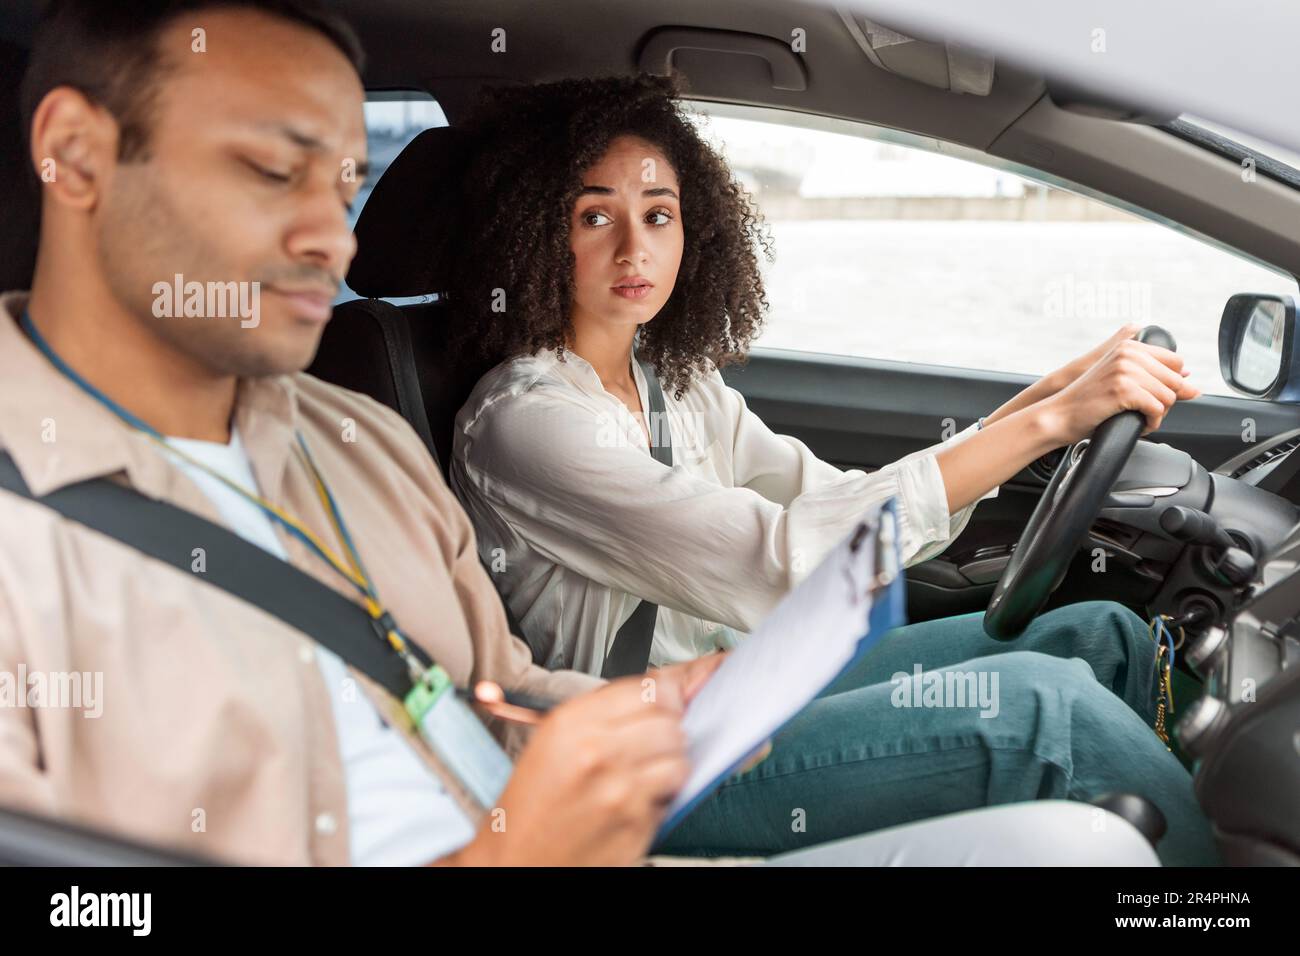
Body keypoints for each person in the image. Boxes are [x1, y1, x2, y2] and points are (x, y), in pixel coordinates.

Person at [0, 0, 1161, 868]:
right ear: (77, 154)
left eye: (342, 184)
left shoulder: (355, 441)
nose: (337, 240)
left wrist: (663, 708)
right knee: (1073, 815)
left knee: (1086, 716)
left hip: (593, 808)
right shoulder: (29, 533)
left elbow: (493, 686)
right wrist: (513, 846)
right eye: (270, 170)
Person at [445, 74, 1220, 865]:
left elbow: (835, 504)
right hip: (648, 768)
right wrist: (1050, 423)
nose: (634, 247)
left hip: (742, 691)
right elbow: (785, 560)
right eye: (594, 215)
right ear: (539, 234)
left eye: (658, 215)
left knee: (1100, 639)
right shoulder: (527, 424)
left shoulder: (674, 383)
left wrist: (1032, 409)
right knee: (1048, 716)